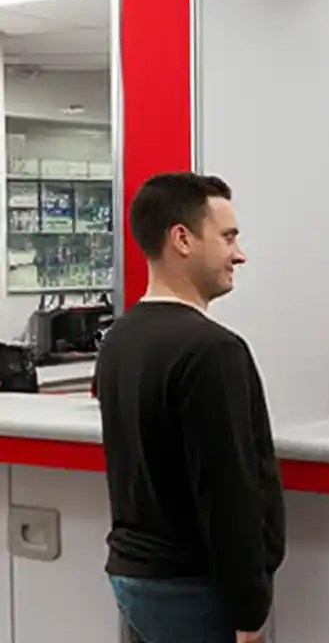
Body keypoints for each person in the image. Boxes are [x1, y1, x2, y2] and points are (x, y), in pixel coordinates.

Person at [95, 173, 284, 643]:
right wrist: (250, 612)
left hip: (136, 579)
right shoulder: (213, 351)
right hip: (194, 591)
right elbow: (228, 493)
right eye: (228, 237)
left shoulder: (119, 339)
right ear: (182, 238)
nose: (239, 254)